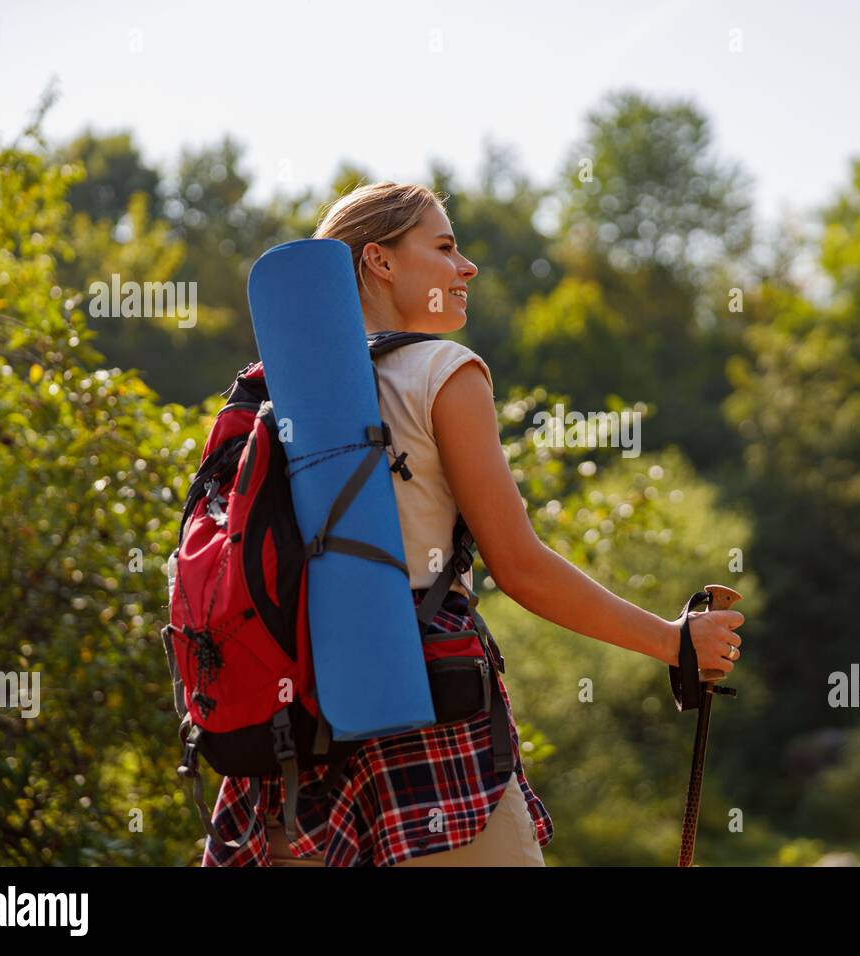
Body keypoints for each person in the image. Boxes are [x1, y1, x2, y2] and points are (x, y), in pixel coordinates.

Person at [201, 181, 745, 867]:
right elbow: (518, 567)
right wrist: (673, 642)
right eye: (445, 246)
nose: (468, 268)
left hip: (290, 731)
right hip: (423, 711)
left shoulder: (266, 389)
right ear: (380, 260)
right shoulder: (442, 371)